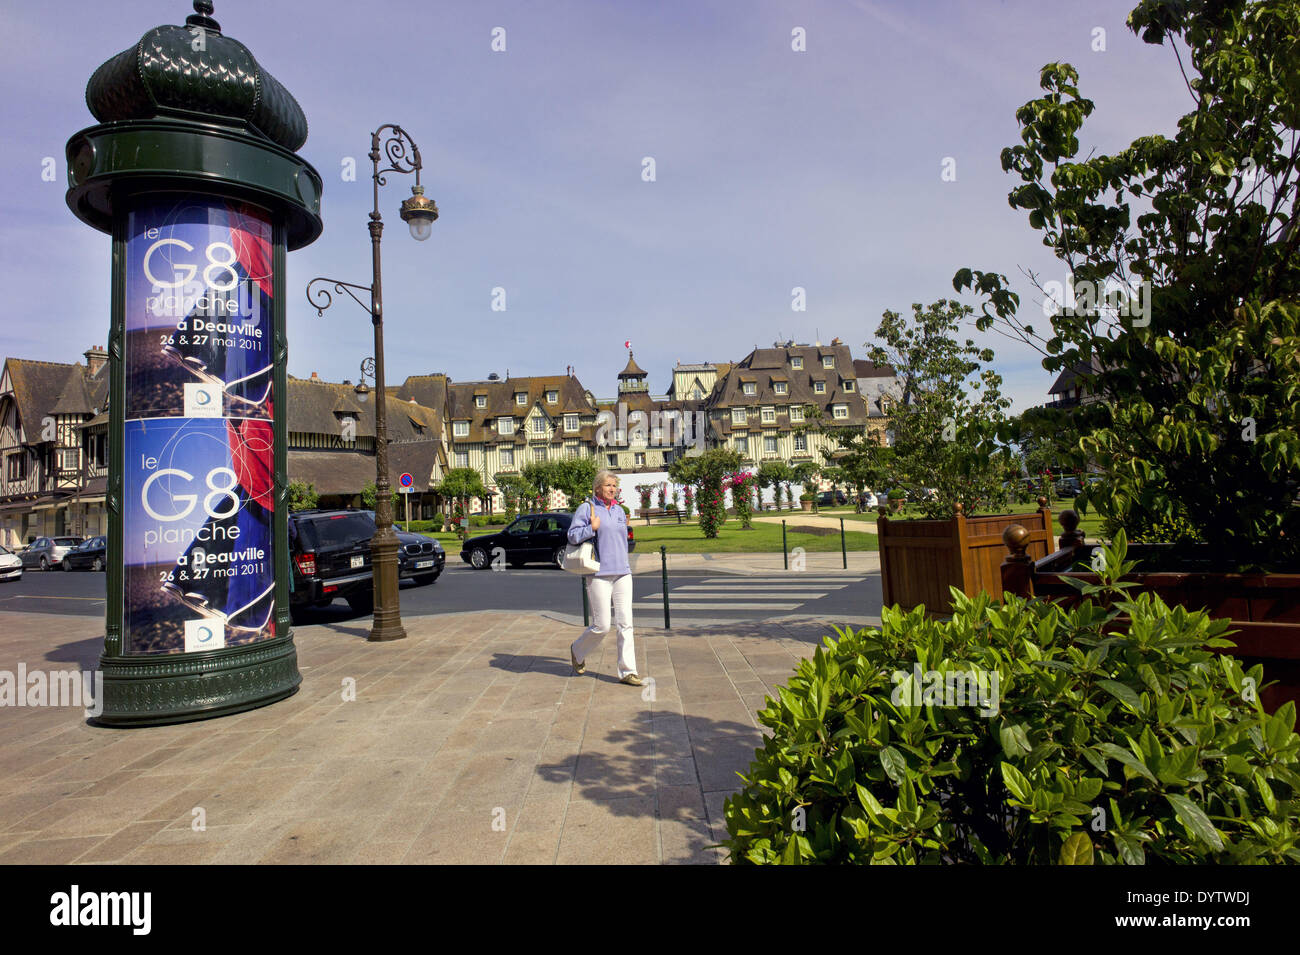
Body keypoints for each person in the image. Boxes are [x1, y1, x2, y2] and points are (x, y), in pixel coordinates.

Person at [567, 470, 644, 686]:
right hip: (599, 573)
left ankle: (628, 671)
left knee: (626, 623)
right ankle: (577, 650)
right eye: (608, 485)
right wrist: (590, 529)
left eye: (615, 485)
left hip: (622, 573)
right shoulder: (587, 508)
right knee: (602, 626)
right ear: (598, 487)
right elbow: (572, 535)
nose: (613, 489)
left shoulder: (619, 510)